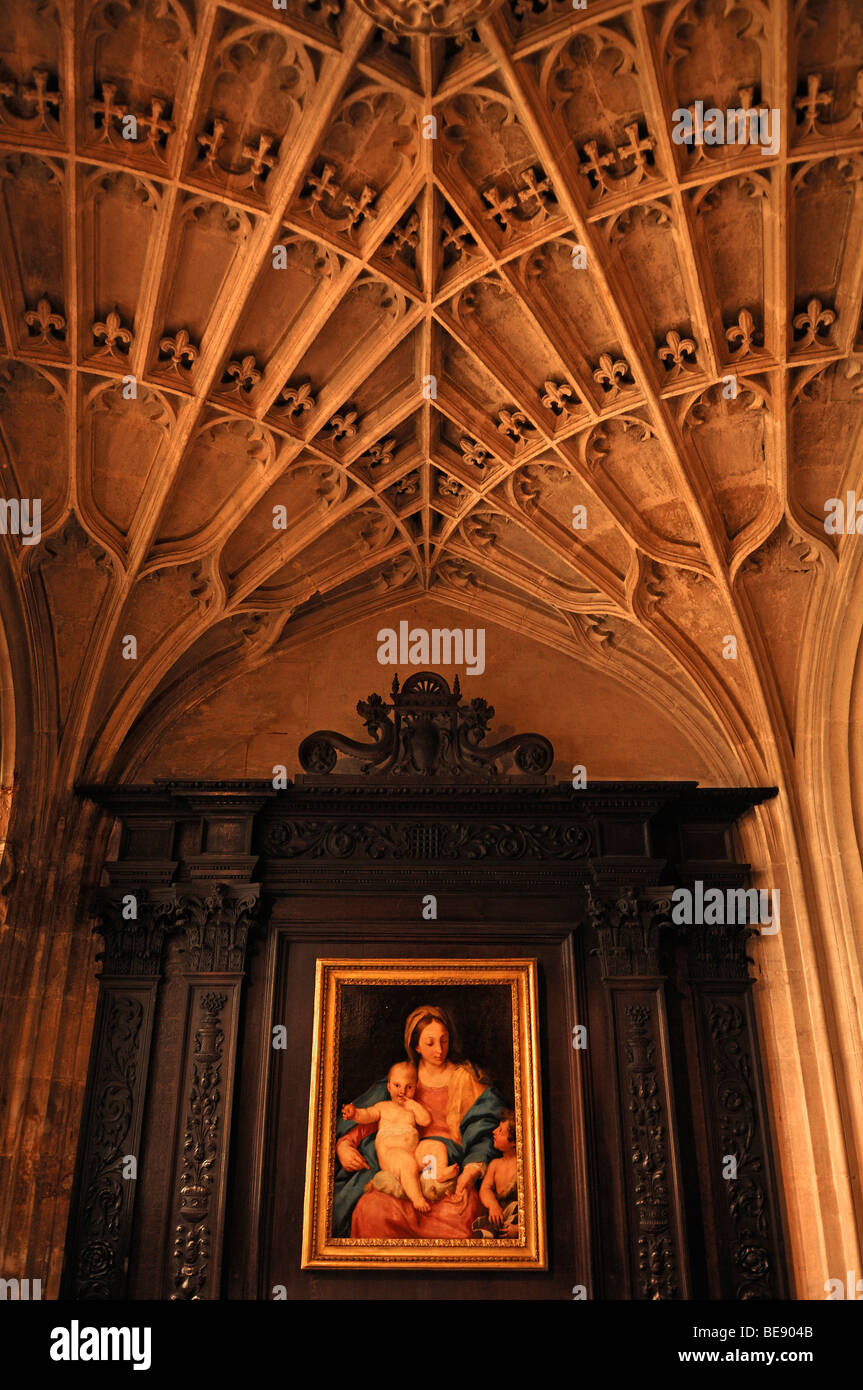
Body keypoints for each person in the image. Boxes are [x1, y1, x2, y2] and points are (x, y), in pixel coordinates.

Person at [333, 1004, 506, 1239]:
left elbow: (484, 1131)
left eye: (444, 1041)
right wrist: (343, 1146)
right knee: (371, 1209)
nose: (440, 1049)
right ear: (416, 1046)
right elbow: (370, 1117)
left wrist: (467, 1176)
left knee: (461, 1215)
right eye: (430, 1042)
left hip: (448, 1170)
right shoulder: (402, 1081)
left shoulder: (466, 1079)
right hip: (402, 1167)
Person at [341, 1061, 457, 1213]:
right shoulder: (383, 1107)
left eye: (409, 1087)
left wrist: (414, 1106)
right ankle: (417, 1198)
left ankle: (439, 1171)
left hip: (414, 1152)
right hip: (391, 1156)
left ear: (416, 1088)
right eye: (397, 1086)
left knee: (436, 1146)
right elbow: (367, 1115)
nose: (402, 1091)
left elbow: (425, 1120)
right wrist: (354, 1113)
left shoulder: (412, 1108)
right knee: (407, 1163)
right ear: (389, 1086)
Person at [475, 1111, 519, 1238]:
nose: (494, 1131)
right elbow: (485, 1188)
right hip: (499, 1217)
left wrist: (519, 1229)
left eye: (500, 1131)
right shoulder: (495, 1164)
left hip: (517, 1221)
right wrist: (493, 1205)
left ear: (513, 1142)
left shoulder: (523, 1164)